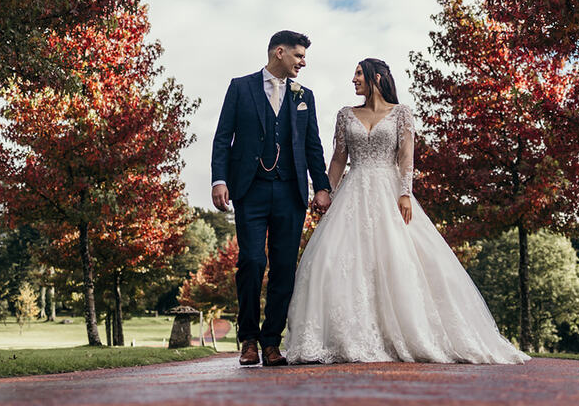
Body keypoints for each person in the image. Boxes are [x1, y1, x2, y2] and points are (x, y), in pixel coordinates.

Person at [284, 58, 529, 364]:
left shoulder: (401, 114)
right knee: (336, 260)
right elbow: (338, 159)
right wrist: (326, 193)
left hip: (390, 192)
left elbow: (405, 158)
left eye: (358, 73)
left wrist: (405, 193)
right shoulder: (345, 114)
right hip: (352, 192)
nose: (353, 79)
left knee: (397, 258)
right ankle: (348, 335)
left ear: (376, 77)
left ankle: (402, 333)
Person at [210, 30, 332, 367]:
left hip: (291, 192)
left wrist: (322, 187)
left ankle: (271, 342)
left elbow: (312, 145)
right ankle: (248, 339)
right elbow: (222, 137)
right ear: (279, 52)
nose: (303, 63)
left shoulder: (304, 95)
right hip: (250, 190)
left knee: (284, 269)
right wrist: (219, 179)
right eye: (298, 56)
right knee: (252, 261)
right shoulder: (240, 87)